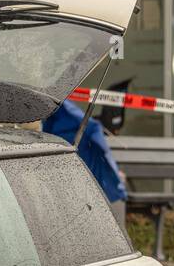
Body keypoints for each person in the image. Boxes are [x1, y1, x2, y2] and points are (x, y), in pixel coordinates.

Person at [43, 99, 130, 231]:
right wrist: (117, 181)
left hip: (61, 184)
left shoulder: (53, 121)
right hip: (90, 184)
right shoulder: (86, 126)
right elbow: (103, 151)